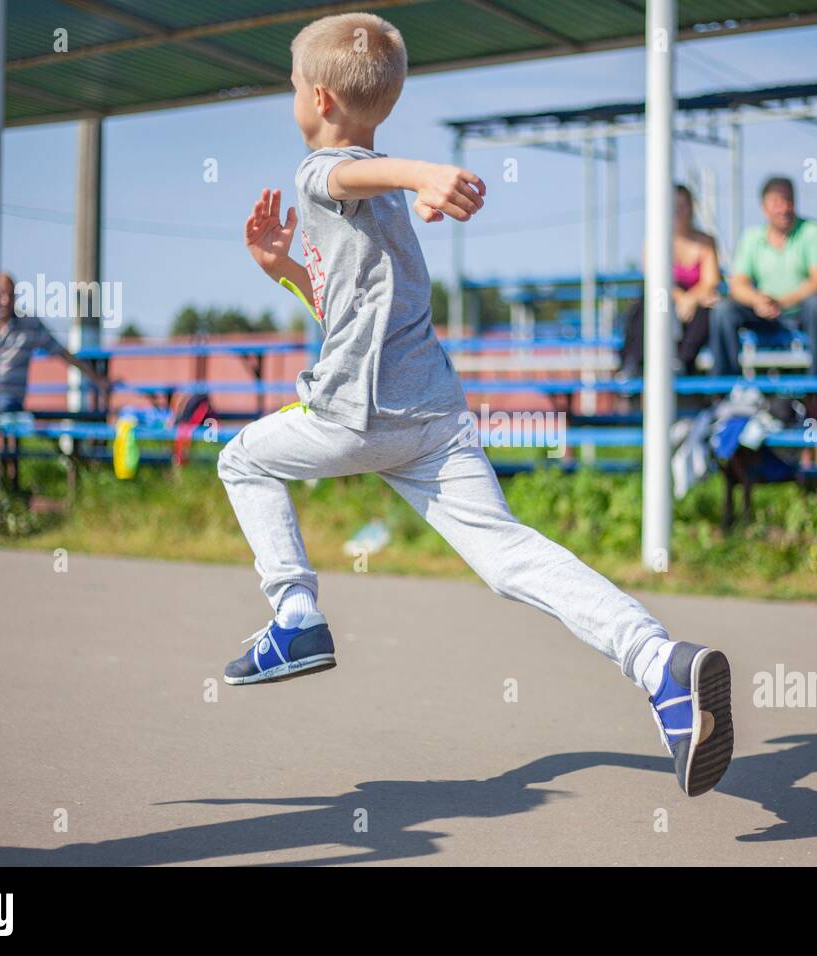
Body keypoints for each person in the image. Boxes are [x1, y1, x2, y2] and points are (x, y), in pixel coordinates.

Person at [215, 12, 734, 798]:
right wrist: (283, 266)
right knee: (508, 555)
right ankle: (661, 667)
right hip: (432, 420)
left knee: (240, 458)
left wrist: (421, 174)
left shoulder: (324, 174)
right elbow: (346, 306)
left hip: (356, 417)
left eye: (292, 85)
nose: (291, 97)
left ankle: (294, 618)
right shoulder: (380, 200)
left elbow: (339, 176)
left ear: (318, 97)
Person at [0, 273, 109, 519]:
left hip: (7, 398)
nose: (5, 300)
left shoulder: (29, 324)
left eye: (9, 295)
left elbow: (62, 353)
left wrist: (97, 379)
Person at [709, 176, 817, 377]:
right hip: (768, 314)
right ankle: (727, 391)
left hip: (805, 313)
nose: (784, 208)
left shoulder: (813, 232)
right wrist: (759, 300)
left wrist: (781, 302)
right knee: (723, 310)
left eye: (788, 200)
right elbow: (738, 285)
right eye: (777, 202)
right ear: (764, 207)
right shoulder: (751, 237)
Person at [617, 184, 721, 378]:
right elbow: (654, 278)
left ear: (691, 208)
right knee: (649, 301)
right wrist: (682, 298)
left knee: (708, 307)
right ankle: (634, 361)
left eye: (682, 205)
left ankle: (682, 361)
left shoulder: (706, 241)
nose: (678, 211)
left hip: (695, 307)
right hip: (667, 302)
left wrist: (690, 299)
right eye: (672, 206)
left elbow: (711, 280)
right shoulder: (654, 242)